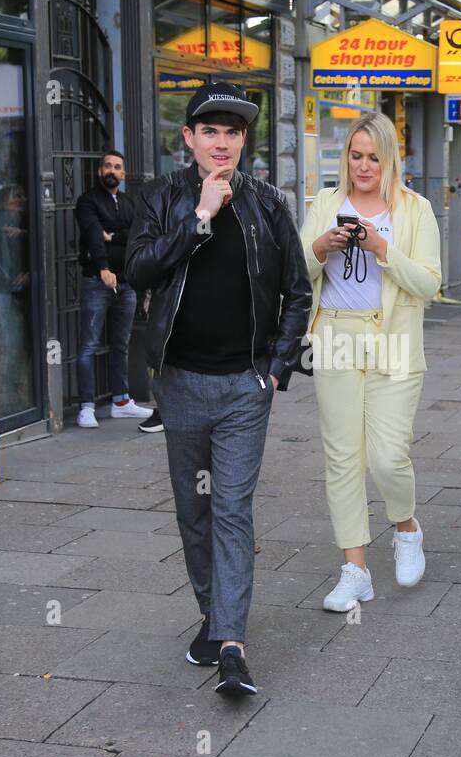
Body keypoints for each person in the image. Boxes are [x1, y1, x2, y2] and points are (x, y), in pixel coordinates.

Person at [126, 82, 310, 696]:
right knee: (194, 510)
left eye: (233, 132)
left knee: (231, 509)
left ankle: (231, 642)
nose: (223, 142)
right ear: (189, 139)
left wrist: (276, 369)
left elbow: (297, 291)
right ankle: (214, 613)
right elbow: (140, 269)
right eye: (211, 131)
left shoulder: (268, 204)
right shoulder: (161, 197)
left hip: (242, 387)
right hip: (178, 384)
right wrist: (200, 216)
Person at [299, 113, 441, 611]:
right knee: (342, 457)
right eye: (355, 155)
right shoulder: (325, 204)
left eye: (372, 157)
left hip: (393, 339)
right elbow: (295, 271)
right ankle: (355, 569)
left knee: (387, 455)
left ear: (389, 159)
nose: (363, 166)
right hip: (335, 333)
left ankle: (406, 527)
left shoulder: (415, 209)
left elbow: (429, 284)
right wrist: (321, 246)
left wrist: (382, 248)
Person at [74, 149, 153, 428]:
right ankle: (86, 406)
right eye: (107, 166)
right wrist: (103, 267)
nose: (111, 170)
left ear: (123, 174)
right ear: (99, 171)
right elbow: (93, 235)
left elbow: (138, 234)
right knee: (89, 345)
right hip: (98, 281)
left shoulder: (130, 202)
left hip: (127, 283)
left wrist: (115, 236)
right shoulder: (87, 201)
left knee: (121, 344)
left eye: (116, 167)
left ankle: (121, 402)